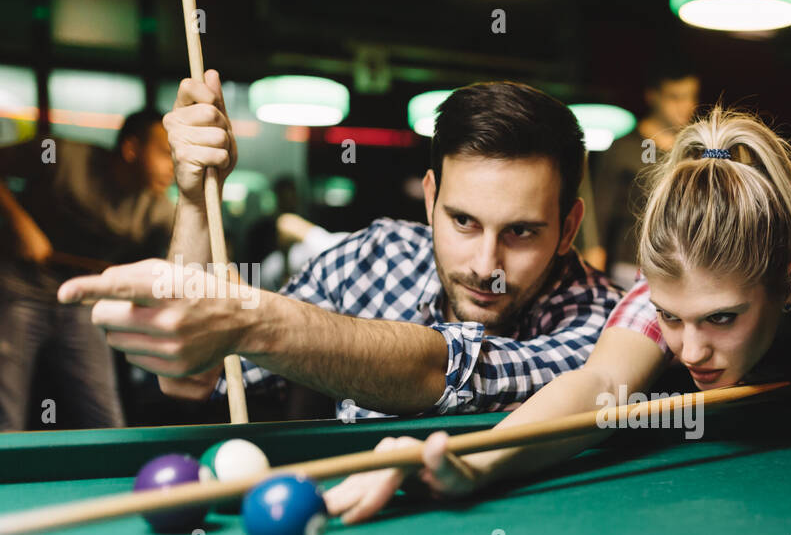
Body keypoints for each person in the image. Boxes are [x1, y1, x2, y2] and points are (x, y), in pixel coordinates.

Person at [326, 106, 791, 523]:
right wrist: (474, 464)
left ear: (788, 288)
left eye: (721, 319)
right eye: (671, 317)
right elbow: (598, 386)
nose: (688, 352)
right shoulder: (656, 294)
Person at [57, 76, 624, 420]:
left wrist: (251, 321)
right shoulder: (372, 259)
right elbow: (194, 378)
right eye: (463, 222)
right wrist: (192, 197)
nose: (485, 266)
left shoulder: (610, 324)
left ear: (569, 227)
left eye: (521, 232)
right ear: (430, 201)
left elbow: (450, 369)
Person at [0, 111, 174, 430]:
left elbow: (179, 260)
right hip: (19, 294)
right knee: (5, 413)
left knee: (105, 416)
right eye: (165, 154)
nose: (173, 168)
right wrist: (19, 224)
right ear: (132, 148)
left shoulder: (159, 209)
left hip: (82, 306)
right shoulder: (60, 155)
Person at [583, 63, 700, 287]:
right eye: (675, 97)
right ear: (653, 96)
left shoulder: (696, 150)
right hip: (632, 267)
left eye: (689, 97)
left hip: (688, 268)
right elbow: (598, 217)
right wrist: (593, 281)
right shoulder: (623, 148)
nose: (684, 106)